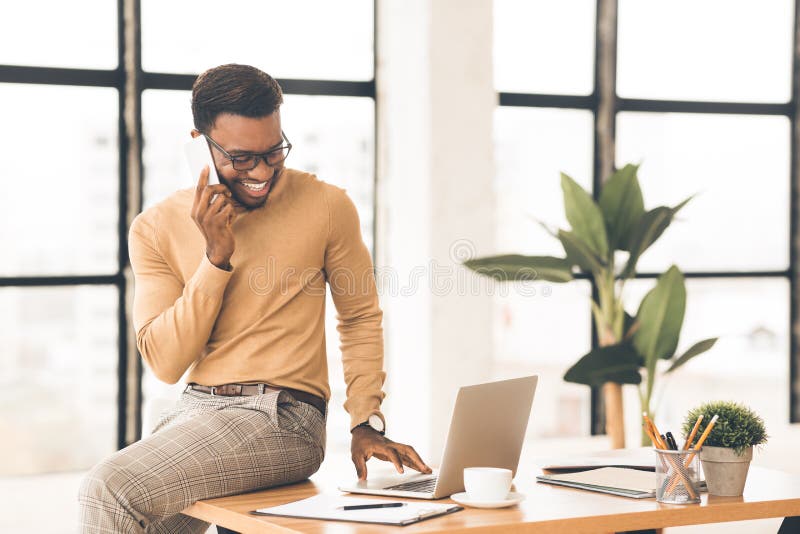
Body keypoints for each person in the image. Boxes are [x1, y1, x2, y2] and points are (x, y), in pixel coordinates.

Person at [78, 63, 431, 533]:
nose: (262, 172)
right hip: (195, 416)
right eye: (242, 158)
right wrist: (215, 260)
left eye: (274, 152)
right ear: (199, 141)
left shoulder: (326, 205)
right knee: (130, 514)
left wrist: (365, 420)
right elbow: (165, 363)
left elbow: (360, 316)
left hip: (284, 418)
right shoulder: (155, 228)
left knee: (108, 488)